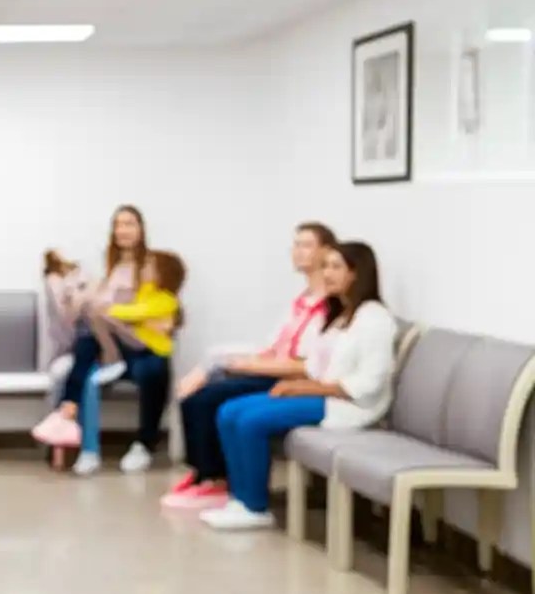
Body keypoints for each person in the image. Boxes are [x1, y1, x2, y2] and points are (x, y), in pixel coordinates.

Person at [199, 241, 396, 530]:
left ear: (357, 273)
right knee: (229, 411)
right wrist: (295, 384)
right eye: (325, 266)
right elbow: (316, 365)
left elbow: (368, 384)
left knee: (251, 421)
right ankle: (238, 499)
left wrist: (304, 389)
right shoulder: (339, 315)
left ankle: (255, 507)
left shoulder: (375, 318)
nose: (326, 273)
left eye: (336, 267)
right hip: (322, 395)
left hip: (349, 407)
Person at [163, 222, 338, 508]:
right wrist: (224, 363)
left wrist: (243, 366)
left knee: (207, 398)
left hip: (293, 380)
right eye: (295, 245)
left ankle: (215, 480)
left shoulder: (330, 306)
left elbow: (305, 364)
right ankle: (205, 475)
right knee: (199, 391)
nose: (297, 252)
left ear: (327, 251)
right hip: (274, 368)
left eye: (306, 245)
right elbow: (273, 347)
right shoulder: (302, 300)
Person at [56, 251, 186, 476]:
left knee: (151, 371)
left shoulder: (165, 299)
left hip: (148, 351)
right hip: (126, 345)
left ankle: (143, 443)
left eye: (149, 267)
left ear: (162, 273)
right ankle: (86, 445)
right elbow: (128, 312)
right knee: (88, 345)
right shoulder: (138, 290)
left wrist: (111, 311)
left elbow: (137, 312)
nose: (143, 270)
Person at [32, 205, 148, 454]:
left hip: (129, 337)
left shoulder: (147, 266)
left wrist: (111, 309)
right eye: (118, 225)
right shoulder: (111, 265)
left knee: (86, 345)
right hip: (104, 335)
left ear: (140, 229)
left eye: (129, 224)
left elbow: (147, 306)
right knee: (84, 347)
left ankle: (66, 414)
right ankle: (71, 424)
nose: (123, 230)